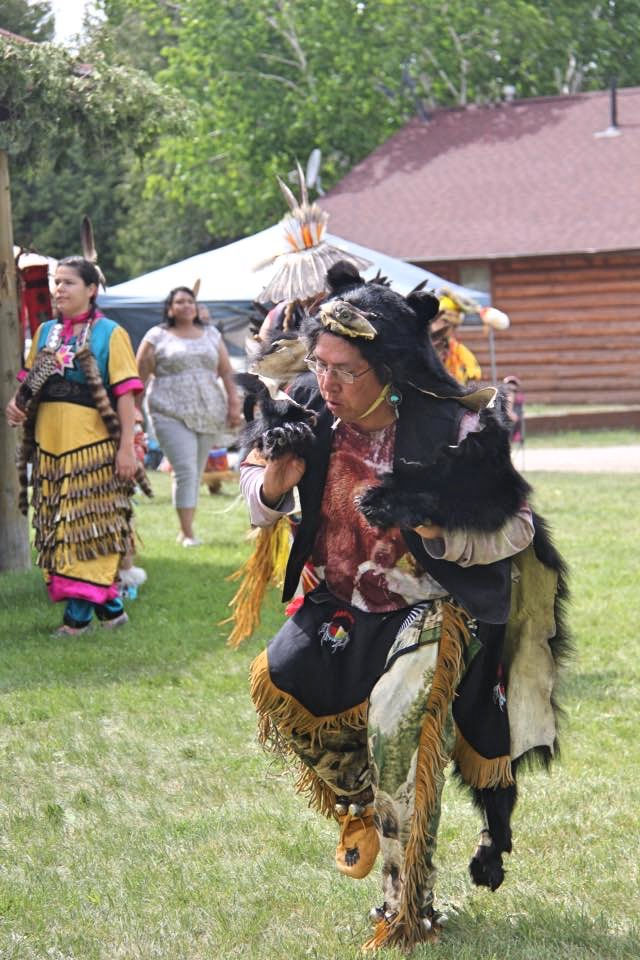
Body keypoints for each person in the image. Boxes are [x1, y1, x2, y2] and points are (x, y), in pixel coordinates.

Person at [240, 263, 569, 951]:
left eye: (345, 370)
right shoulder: (308, 410)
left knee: (398, 733)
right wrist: (273, 485)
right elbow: (254, 501)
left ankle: (405, 906)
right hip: (339, 600)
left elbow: (516, 529)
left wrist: (437, 529)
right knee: (277, 684)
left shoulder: (454, 426)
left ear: (387, 365)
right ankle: (359, 806)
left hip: (430, 606)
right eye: (319, 364)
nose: (326, 383)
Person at [5, 256, 144, 635]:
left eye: (68, 282)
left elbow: (126, 394)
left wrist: (126, 448)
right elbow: (31, 383)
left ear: (91, 289)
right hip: (50, 450)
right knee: (61, 529)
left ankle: (76, 620)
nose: (59, 289)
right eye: (56, 282)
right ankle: (112, 610)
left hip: (92, 451)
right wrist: (18, 407)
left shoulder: (109, 333)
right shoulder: (47, 332)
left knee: (88, 530)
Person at [135, 286, 243, 546]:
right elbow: (138, 377)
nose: (186, 306)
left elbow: (227, 372)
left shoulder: (211, 334)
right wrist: (134, 411)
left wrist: (233, 405)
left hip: (208, 409)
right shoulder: (156, 336)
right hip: (167, 409)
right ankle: (188, 533)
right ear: (170, 308)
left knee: (194, 471)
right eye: (180, 302)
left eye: (190, 301)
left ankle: (186, 528)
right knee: (184, 469)